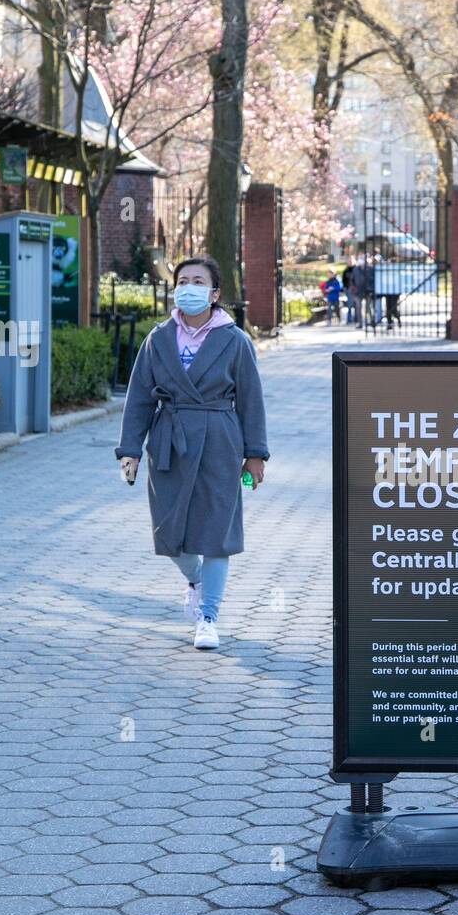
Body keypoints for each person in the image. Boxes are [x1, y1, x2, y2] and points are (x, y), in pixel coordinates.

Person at [115, 255, 269, 649]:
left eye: (198, 281)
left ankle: (208, 617)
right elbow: (138, 399)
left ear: (215, 293)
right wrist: (129, 449)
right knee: (169, 530)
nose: (189, 287)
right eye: (183, 280)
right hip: (169, 440)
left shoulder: (235, 340)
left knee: (217, 531)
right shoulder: (158, 338)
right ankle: (196, 580)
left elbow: (251, 400)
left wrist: (255, 454)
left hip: (220, 439)